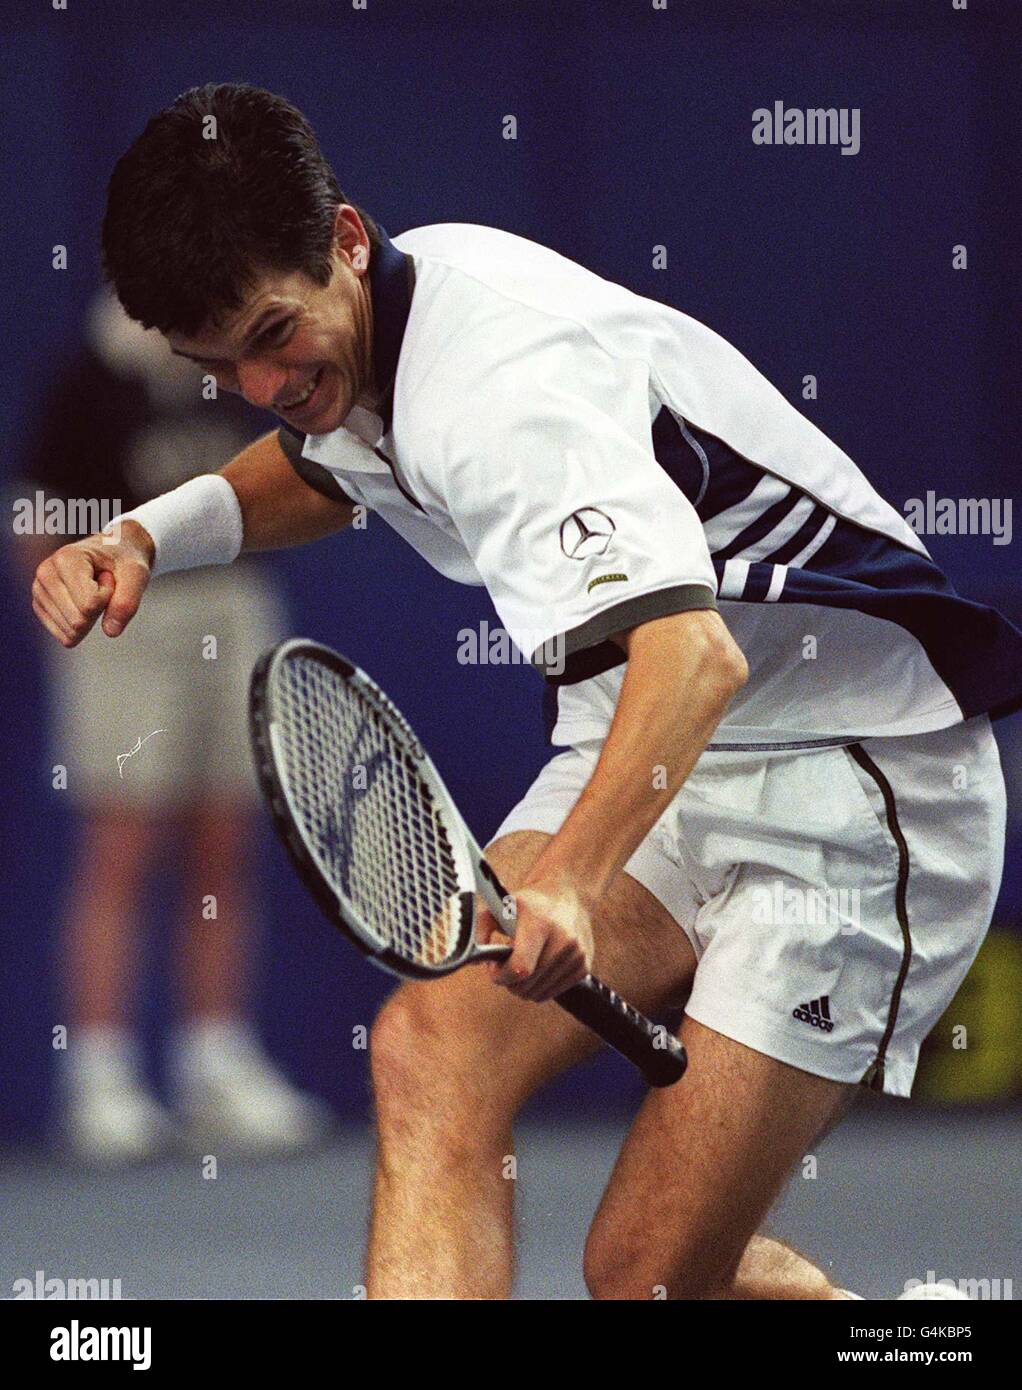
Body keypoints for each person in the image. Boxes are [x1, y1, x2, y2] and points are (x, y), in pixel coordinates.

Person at [31, 83, 1021, 1295]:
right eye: (217, 363)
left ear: (346, 239)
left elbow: (691, 657)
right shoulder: (372, 317)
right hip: (656, 735)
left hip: (858, 779)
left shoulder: (506, 393)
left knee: (648, 1273)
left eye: (272, 336)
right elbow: (321, 466)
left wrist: (575, 880)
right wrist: (145, 536)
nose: (261, 383)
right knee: (433, 1048)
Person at [18, 286, 332, 1163]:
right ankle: (101, 1077)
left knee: (225, 842)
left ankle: (214, 1063)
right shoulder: (88, 380)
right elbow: (36, 524)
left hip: (230, 607)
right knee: (121, 848)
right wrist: (68, 610)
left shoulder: (238, 363)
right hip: (123, 620)